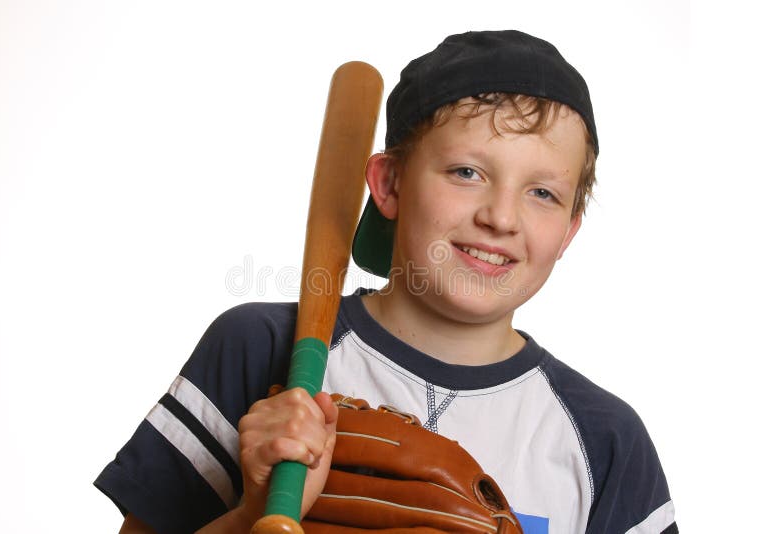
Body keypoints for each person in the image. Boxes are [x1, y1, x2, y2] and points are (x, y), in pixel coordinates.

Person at [95, 30, 677, 534]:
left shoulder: (605, 440)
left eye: (542, 193)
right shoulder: (264, 350)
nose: (501, 218)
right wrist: (252, 514)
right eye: (467, 172)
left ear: (571, 229)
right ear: (390, 184)